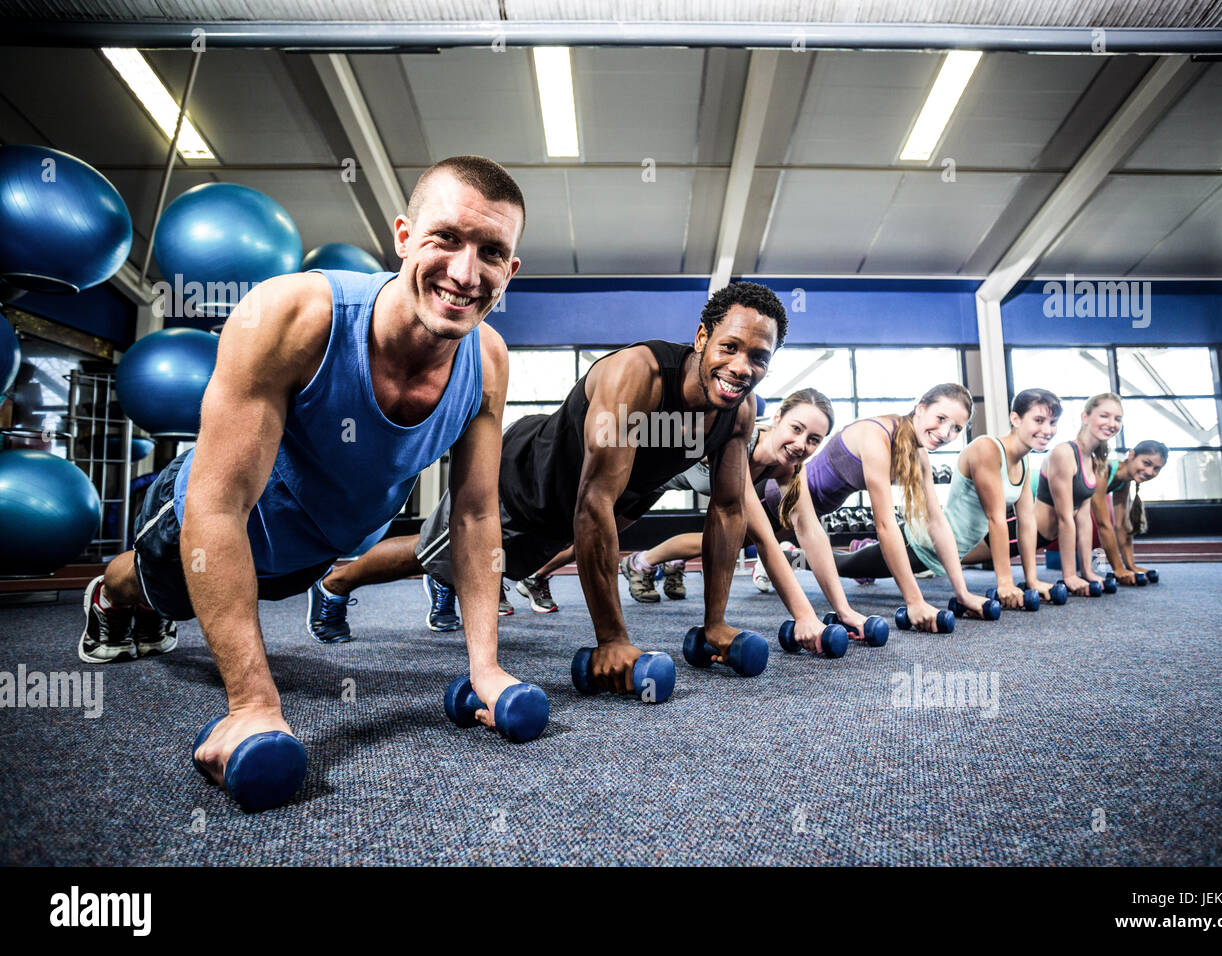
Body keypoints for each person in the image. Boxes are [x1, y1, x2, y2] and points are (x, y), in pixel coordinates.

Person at [77, 156, 526, 793]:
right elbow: (218, 504)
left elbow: (475, 516)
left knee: (241, 601)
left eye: (490, 252)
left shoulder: (488, 360)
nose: (464, 272)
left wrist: (486, 668)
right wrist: (253, 707)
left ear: (509, 272)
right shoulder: (295, 315)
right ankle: (111, 595)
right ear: (403, 236)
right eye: (445, 238)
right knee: (154, 590)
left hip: (315, 553)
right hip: (211, 526)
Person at [316, 281, 823, 687]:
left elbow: (730, 512)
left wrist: (715, 624)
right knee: (431, 558)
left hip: (590, 503)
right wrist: (612, 639)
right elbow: (593, 501)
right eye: (730, 347)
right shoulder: (637, 377)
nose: (741, 367)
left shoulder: (738, 413)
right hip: (522, 480)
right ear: (701, 338)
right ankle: (335, 585)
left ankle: (456, 582)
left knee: (502, 569)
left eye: (758, 357)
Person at [622, 390, 879, 640]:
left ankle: (664, 563)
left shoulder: (789, 466)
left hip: (662, 484)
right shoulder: (737, 443)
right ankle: (637, 563)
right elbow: (765, 540)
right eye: (796, 428)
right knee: (584, 542)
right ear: (777, 417)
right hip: (635, 474)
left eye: (814, 439)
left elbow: (811, 531)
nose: (801, 444)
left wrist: (844, 611)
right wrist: (805, 616)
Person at [810, 384, 977, 633]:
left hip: (814, 516)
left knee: (825, 562)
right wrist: (915, 601)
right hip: (783, 502)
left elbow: (937, 522)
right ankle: (782, 557)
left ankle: (789, 557)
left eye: (956, 428)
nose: (945, 433)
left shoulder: (919, 456)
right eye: (941, 418)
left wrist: (963, 593)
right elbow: (885, 525)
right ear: (920, 408)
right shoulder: (877, 436)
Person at [925, 388, 1063, 606]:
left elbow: (1027, 522)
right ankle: (866, 547)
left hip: (963, 549)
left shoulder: (1023, 461)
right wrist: (1006, 582)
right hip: (928, 544)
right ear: (1015, 418)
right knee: (854, 565)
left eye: (1053, 422)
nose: (1047, 430)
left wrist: (1032, 580)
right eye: (1039, 420)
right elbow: (996, 518)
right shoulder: (987, 448)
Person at [1030, 392, 1123, 596]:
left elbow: (1083, 519)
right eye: (1104, 416)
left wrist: (1087, 571)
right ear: (1085, 417)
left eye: (1118, 419)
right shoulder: (1065, 453)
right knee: (956, 555)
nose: (1112, 423)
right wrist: (1070, 575)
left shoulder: (1092, 460)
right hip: (1023, 534)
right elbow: (1065, 519)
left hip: (1041, 538)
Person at [1092, 439, 1168, 585]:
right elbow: (1103, 524)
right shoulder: (1105, 469)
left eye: (1156, 469)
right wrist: (1118, 569)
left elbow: (1120, 526)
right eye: (1146, 463)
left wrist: (1130, 565)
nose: (1150, 472)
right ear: (1131, 455)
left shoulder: (1124, 480)